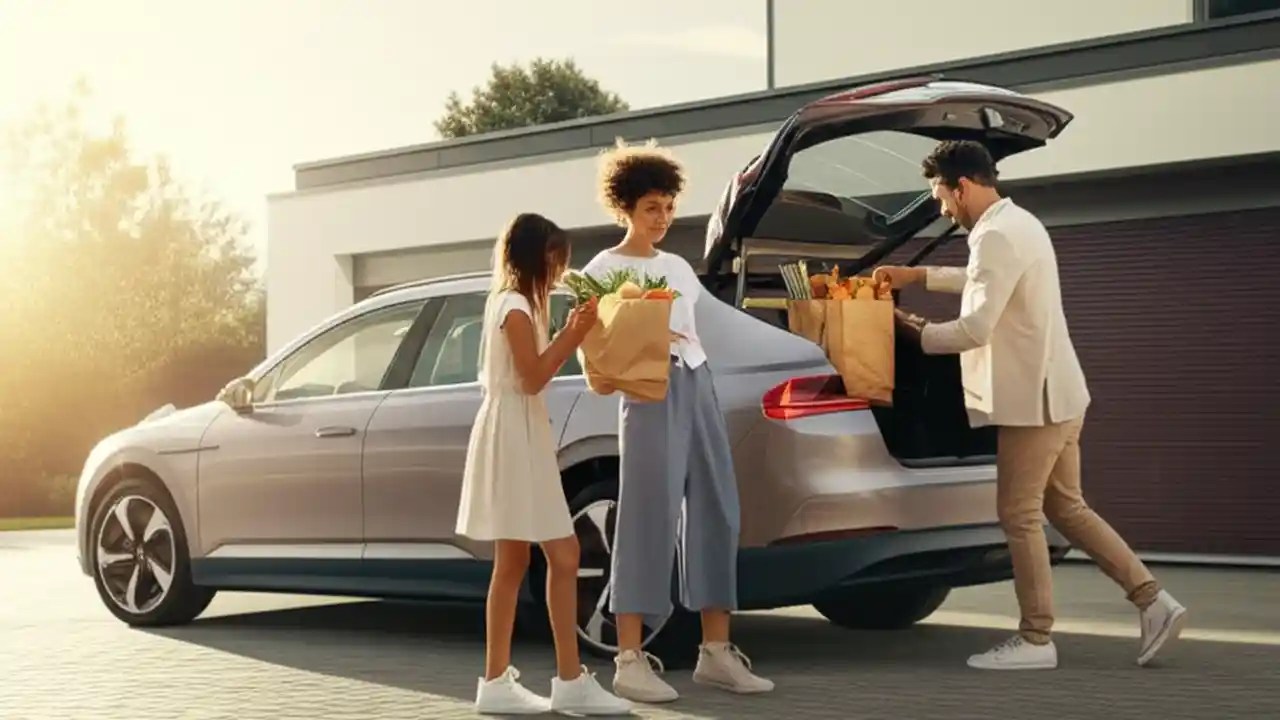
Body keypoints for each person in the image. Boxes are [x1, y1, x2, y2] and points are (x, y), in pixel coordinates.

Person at [875, 140, 1187, 671]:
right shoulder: (1018, 223)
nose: (943, 209)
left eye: (941, 197)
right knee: (1066, 508)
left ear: (962, 187)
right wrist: (916, 277)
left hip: (1032, 404)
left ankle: (1036, 640)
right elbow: (985, 281)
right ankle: (1154, 601)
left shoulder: (994, 235)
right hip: (1062, 394)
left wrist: (910, 331)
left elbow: (975, 325)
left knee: (1018, 514)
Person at [582, 140, 774, 702]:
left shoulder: (677, 266)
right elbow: (589, 341)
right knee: (647, 517)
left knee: (718, 508)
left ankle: (715, 653)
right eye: (651, 208)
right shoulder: (604, 268)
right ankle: (628, 659)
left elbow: (704, 325)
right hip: (648, 395)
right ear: (625, 209)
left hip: (698, 381)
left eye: (667, 206)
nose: (662, 218)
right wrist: (642, 331)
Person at [455, 213, 632, 715]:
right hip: (515, 434)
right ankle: (568, 681)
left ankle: (498, 682)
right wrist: (574, 334)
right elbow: (532, 378)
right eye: (555, 259)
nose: (559, 270)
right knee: (564, 553)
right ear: (535, 255)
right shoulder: (514, 307)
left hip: (516, 432)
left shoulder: (513, 304)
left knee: (513, 562)